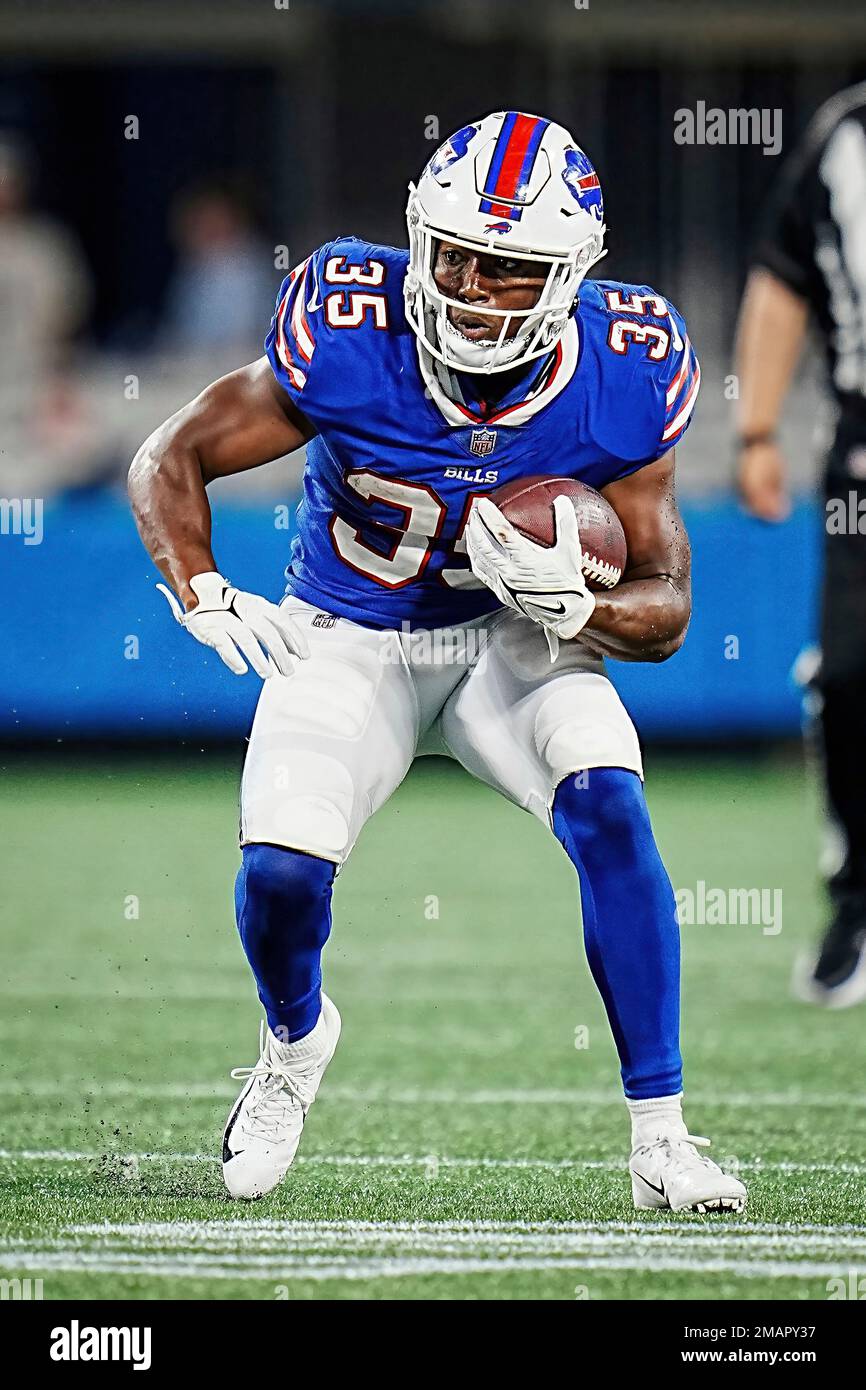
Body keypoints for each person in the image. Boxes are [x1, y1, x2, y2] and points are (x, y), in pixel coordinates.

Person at [129, 111, 746, 1212]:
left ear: (566, 277)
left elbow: (668, 609)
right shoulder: (350, 322)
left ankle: (661, 1138)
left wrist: (583, 606)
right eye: (452, 252)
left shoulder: (626, 363)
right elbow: (169, 452)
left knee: (609, 804)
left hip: (514, 638)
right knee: (278, 873)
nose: (468, 284)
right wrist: (200, 584)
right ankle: (293, 1041)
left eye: (506, 267)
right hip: (346, 629)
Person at [735, 82, 866, 1008]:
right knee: (853, 675)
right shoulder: (843, 138)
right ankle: (858, 901)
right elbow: (782, 274)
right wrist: (756, 430)